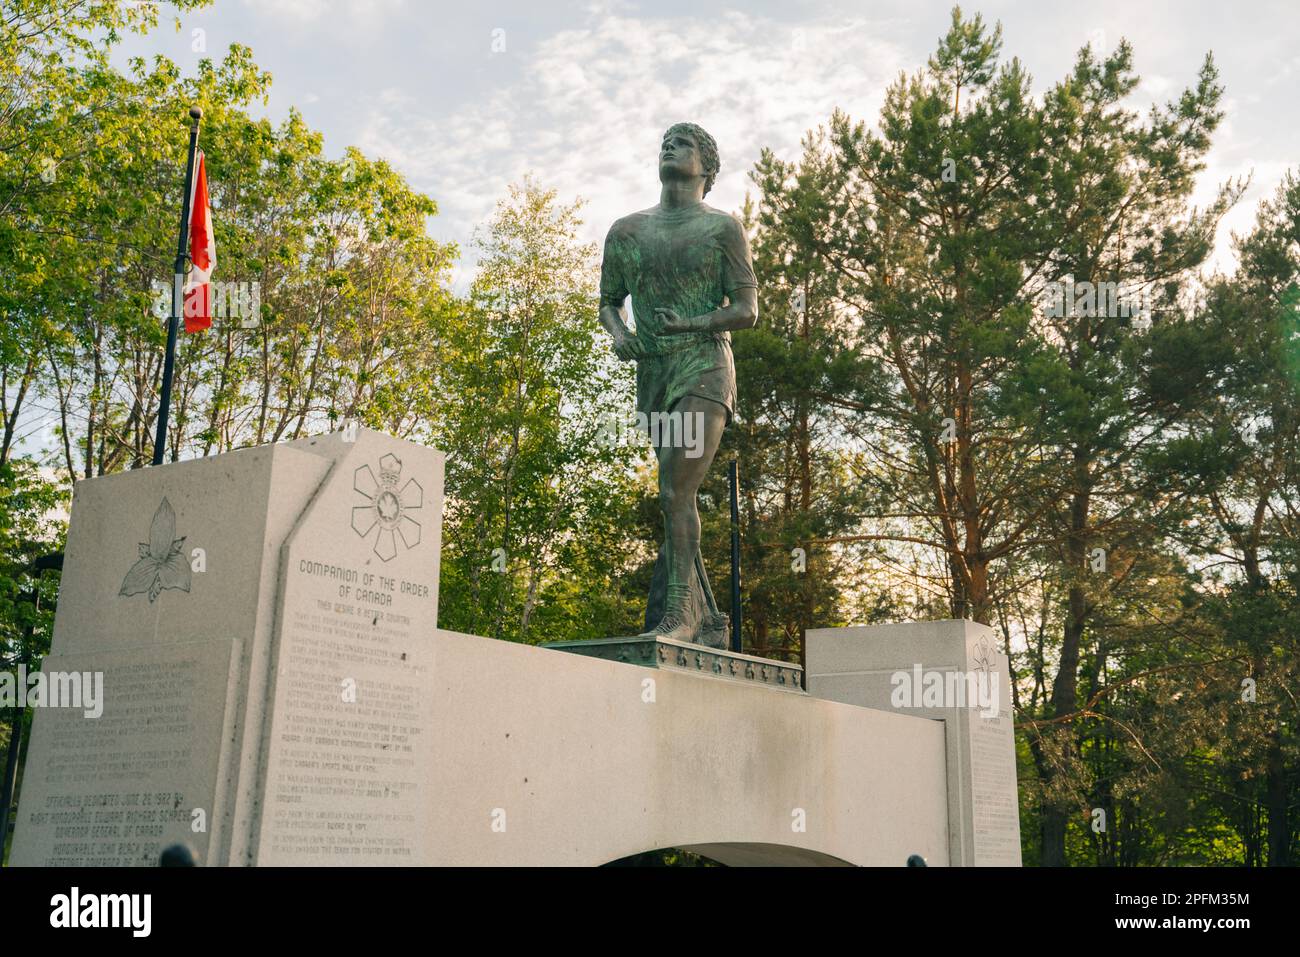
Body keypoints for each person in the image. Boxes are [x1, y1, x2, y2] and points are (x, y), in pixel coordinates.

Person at [597, 122, 758, 647]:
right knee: (673, 496)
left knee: (675, 489)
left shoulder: (723, 230)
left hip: (705, 367)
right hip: (654, 372)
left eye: (684, 144)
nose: (671, 147)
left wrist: (689, 324)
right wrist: (621, 335)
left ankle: (677, 617)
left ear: (706, 169)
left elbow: (746, 310)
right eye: (667, 142)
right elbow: (608, 302)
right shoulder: (627, 231)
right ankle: (709, 619)